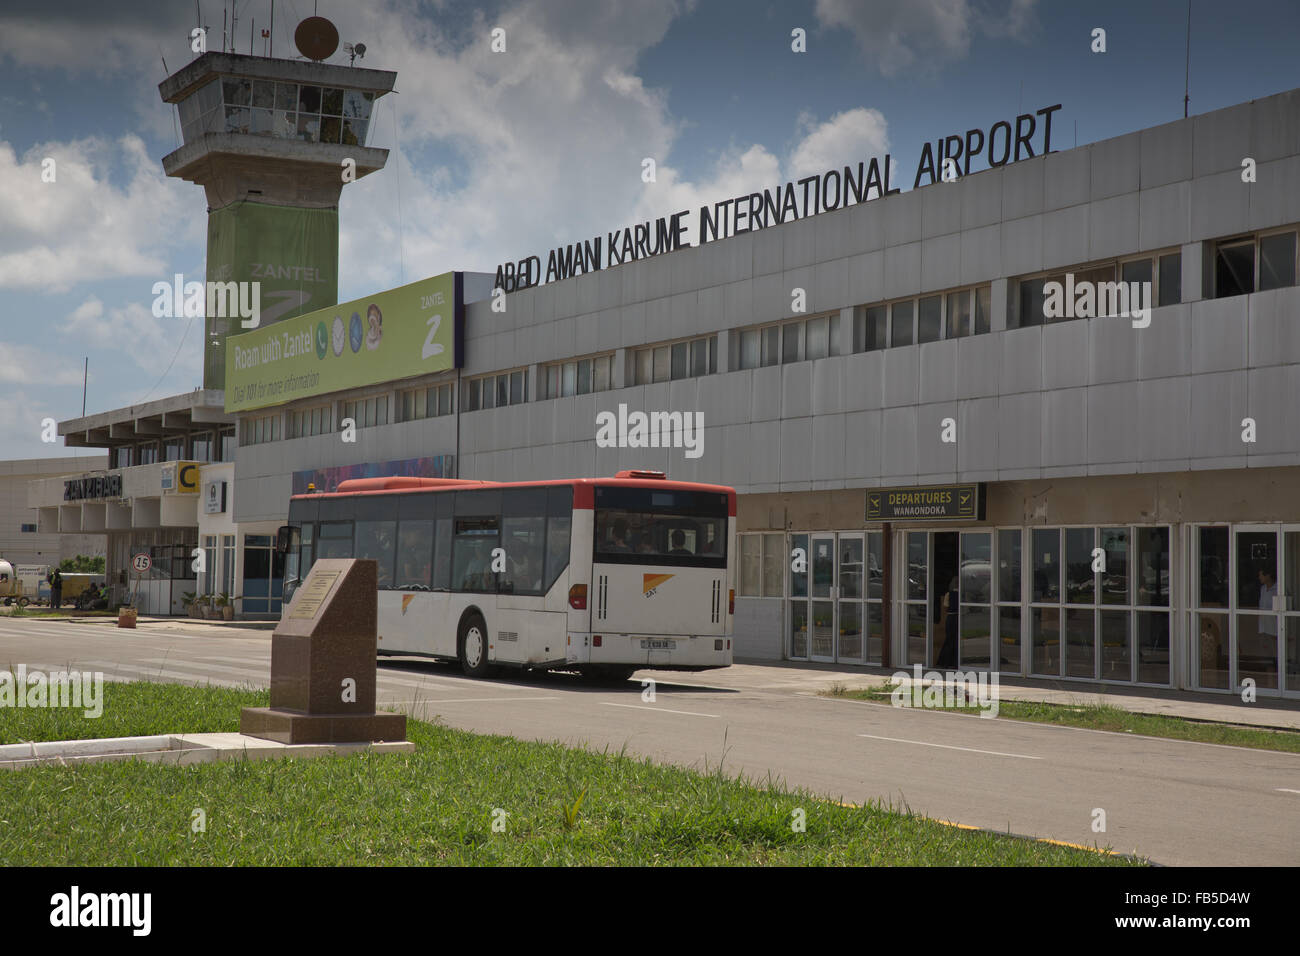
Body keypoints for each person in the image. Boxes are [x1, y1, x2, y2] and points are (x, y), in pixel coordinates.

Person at [936, 576, 959, 667]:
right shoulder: (963, 594)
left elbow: (945, 608)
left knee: (949, 640)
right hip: (958, 618)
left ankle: (945, 662)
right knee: (956, 640)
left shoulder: (948, 594)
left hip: (951, 618)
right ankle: (955, 662)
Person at [1258, 566, 1278, 637]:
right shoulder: (1263, 589)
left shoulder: (1279, 589)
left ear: (1268, 576)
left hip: (1275, 629)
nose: (1259, 577)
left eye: (1261, 575)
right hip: (1263, 628)